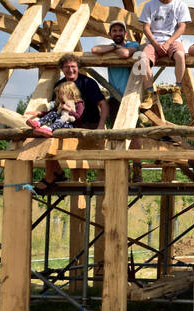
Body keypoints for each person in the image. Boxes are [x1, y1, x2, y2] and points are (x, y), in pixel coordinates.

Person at [37, 54, 110, 188]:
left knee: (51, 137)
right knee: (47, 136)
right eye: (66, 67)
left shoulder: (88, 83)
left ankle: (52, 176)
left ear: (78, 67)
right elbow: (57, 108)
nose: (70, 70)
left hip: (89, 125)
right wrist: (40, 114)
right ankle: (57, 173)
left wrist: (100, 126)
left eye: (73, 67)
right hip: (69, 123)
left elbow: (103, 105)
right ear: (61, 69)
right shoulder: (60, 84)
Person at [137, 0, 189, 88]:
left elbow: (182, 27)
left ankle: (178, 87)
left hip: (173, 40)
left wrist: (167, 43)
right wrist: (155, 45)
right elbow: (145, 27)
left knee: (180, 55)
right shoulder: (150, 5)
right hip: (153, 41)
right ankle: (150, 92)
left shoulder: (180, 5)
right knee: (143, 59)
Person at [91, 21, 135, 96]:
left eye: (120, 30)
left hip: (131, 95)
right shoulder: (111, 46)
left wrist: (112, 49)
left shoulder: (133, 44)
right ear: (109, 34)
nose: (118, 33)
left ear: (126, 33)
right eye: (114, 31)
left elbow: (125, 53)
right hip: (115, 96)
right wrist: (115, 47)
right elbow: (94, 49)